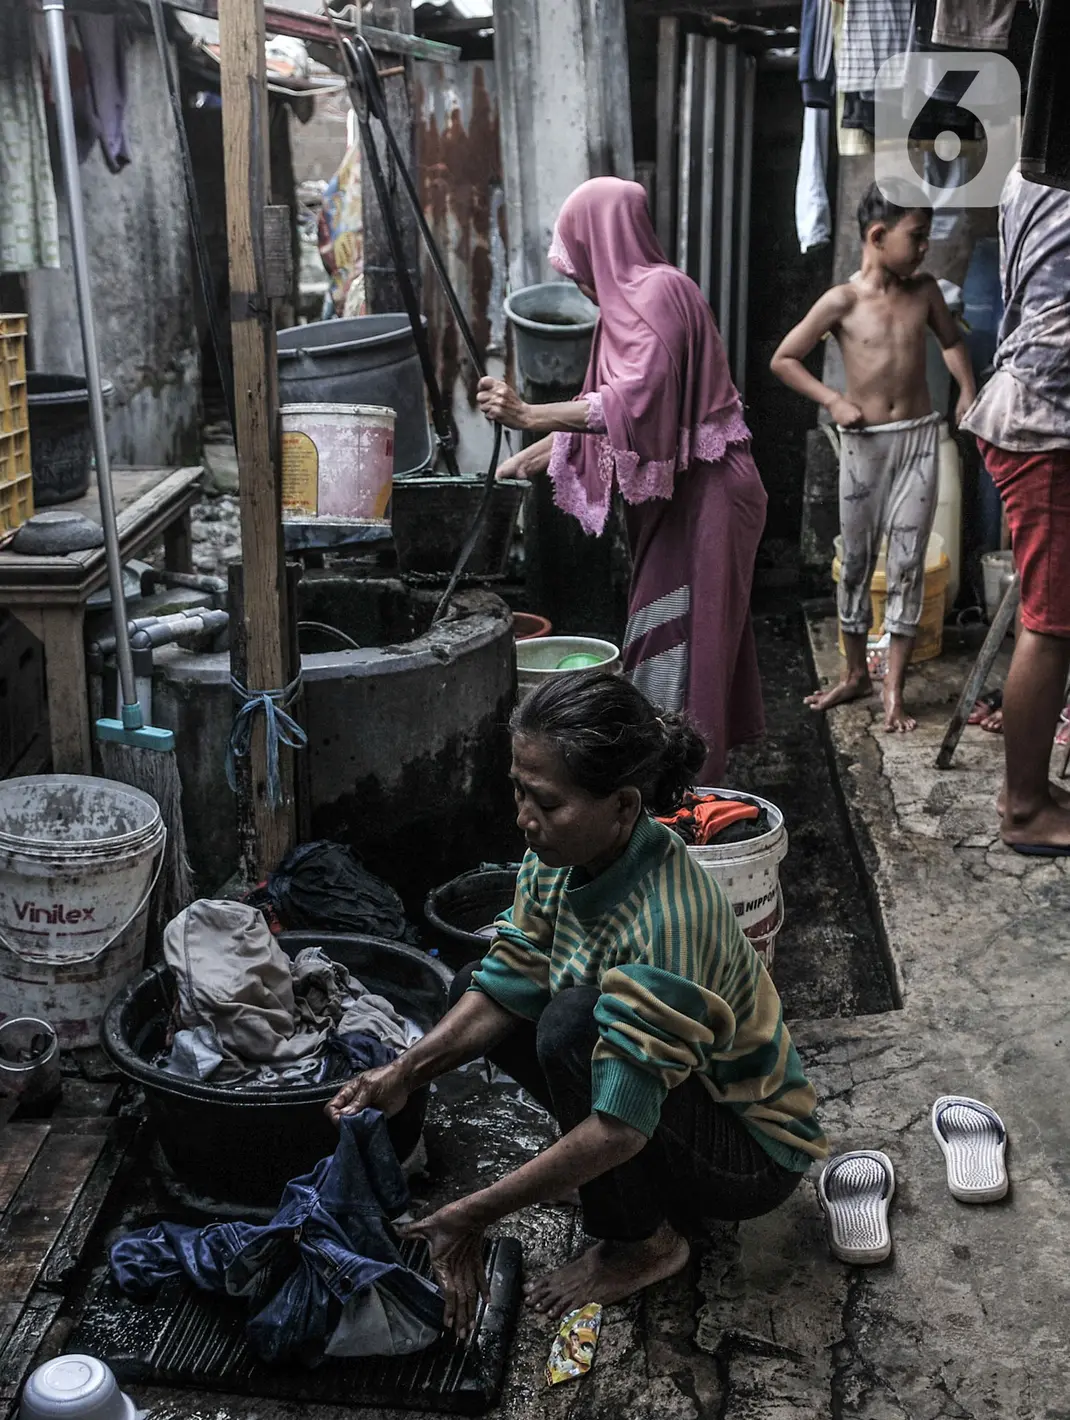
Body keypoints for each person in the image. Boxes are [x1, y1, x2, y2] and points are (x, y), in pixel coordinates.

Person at [327, 671, 827, 1337]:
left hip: (747, 1156)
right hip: (670, 1100)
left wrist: (472, 1213)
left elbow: (621, 1128)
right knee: (473, 983)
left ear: (623, 806)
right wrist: (403, 1073)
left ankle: (643, 1244)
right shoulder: (560, 853)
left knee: (569, 1026)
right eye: (518, 791)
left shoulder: (665, 923)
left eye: (546, 802)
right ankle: (610, 1181)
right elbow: (514, 973)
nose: (523, 818)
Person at [475, 176, 767, 785]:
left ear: (606, 240)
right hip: (682, 499)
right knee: (671, 639)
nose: (579, 275)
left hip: (711, 497)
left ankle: (688, 794)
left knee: (689, 648)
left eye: (579, 255)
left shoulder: (662, 290)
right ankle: (670, 782)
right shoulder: (620, 312)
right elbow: (615, 419)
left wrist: (529, 414)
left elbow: (635, 402)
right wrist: (529, 459)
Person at [771, 180, 976, 732]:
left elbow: (952, 341)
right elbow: (784, 359)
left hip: (918, 440)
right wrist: (832, 399)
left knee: (908, 561)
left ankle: (893, 689)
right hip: (865, 446)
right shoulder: (842, 301)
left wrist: (967, 391)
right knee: (858, 560)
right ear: (878, 235)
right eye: (918, 236)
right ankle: (855, 673)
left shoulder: (925, 291)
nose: (925, 248)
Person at [960, 168, 1070, 855]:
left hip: (1025, 404)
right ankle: (1026, 809)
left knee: (1050, 617)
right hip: (1046, 424)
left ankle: (1027, 790)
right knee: (1052, 624)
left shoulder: (1028, 173)